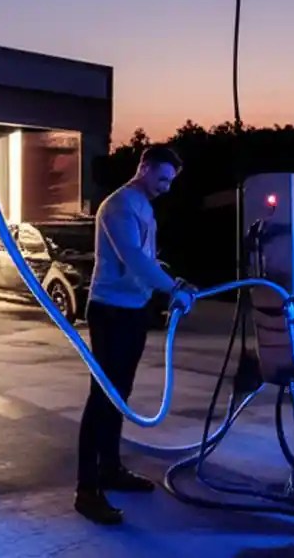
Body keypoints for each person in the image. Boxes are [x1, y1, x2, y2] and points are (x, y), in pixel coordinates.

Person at [74, 144, 196, 525]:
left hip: (133, 311)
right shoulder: (118, 206)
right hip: (110, 311)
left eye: (171, 181)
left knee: (119, 396)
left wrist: (173, 281)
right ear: (143, 168)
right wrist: (171, 289)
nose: (166, 187)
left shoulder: (145, 207)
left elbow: (148, 257)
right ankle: (87, 490)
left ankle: (110, 469)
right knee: (103, 398)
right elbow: (134, 259)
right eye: (162, 178)